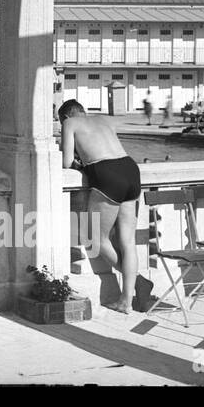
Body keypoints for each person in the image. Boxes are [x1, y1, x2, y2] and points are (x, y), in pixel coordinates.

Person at [59, 99, 141, 314]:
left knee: (94, 237)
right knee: (128, 241)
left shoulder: (70, 124)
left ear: (65, 117)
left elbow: (66, 162)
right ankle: (129, 296)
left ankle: (136, 284)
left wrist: (77, 161)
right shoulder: (103, 120)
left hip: (106, 174)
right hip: (130, 169)